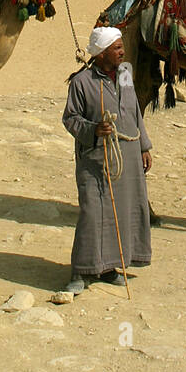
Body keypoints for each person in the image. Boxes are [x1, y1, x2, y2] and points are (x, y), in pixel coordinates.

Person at [62, 26, 152, 294]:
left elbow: (134, 109)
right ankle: (81, 271)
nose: (122, 51)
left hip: (128, 154)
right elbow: (70, 119)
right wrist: (93, 130)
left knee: (121, 212)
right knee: (93, 213)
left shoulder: (125, 75)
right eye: (116, 48)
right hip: (96, 159)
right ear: (101, 54)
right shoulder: (82, 83)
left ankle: (110, 266)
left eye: (121, 46)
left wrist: (144, 146)